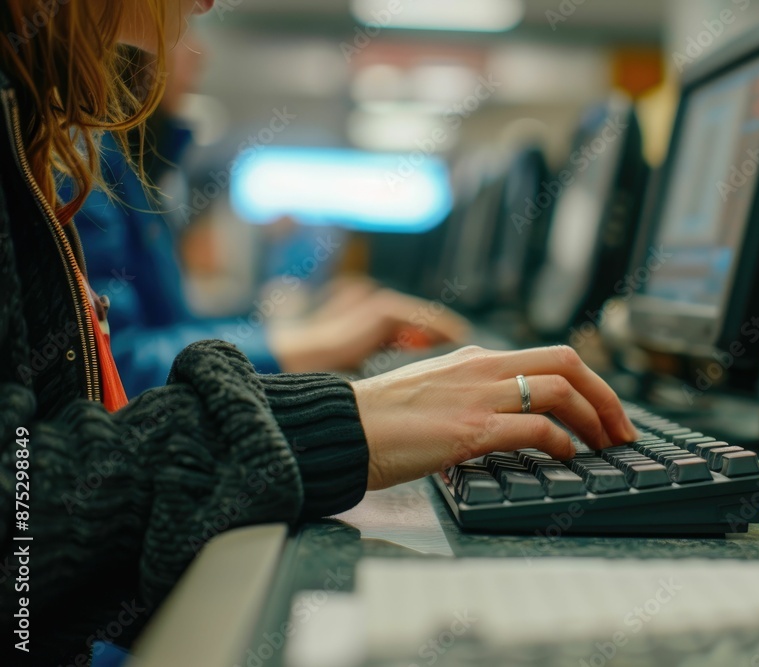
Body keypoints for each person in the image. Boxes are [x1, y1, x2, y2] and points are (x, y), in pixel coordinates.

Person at [0, 1, 637, 664]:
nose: (207, 11)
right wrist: (324, 418)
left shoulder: (35, 123)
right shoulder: (62, 139)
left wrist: (318, 387)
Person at [72, 35, 468, 396]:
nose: (201, 53)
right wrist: (321, 342)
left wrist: (306, 328)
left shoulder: (123, 163)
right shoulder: (83, 160)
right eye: (183, 24)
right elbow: (114, 368)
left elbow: (175, 329)